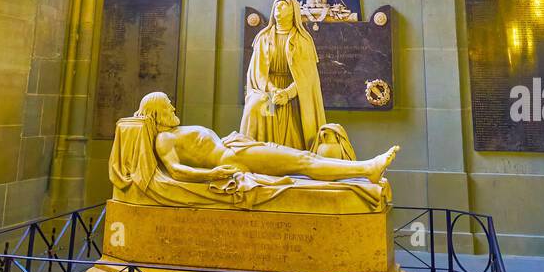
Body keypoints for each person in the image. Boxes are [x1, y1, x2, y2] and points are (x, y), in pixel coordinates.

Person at [149, 92, 397, 186]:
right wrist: (212, 175)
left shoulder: (173, 133)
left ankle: (366, 169)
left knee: (305, 159)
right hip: (233, 156)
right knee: (303, 162)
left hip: (237, 146)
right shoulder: (164, 139)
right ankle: (368, 168)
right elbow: (176, 170)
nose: (173, 109)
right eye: (168, 107)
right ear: (157, 111)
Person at [240, 0, 326, 149]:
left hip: (294, 93)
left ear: (293, 10)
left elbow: (307, 76)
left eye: (283, 5)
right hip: (268, 91)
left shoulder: (303, 40)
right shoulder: (263, 38)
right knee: (256, 106)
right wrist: (273, 90)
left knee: (294, 127)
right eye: (276, 5)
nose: (278, 8)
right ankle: (258, 157)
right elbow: (257, 73)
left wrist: (287, 94)